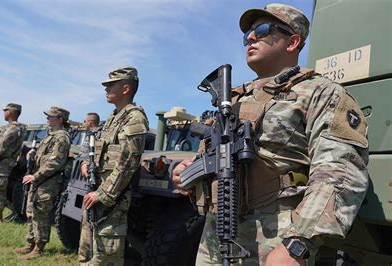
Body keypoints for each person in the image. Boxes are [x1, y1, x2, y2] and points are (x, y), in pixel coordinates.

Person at [172, 3, 369, 265]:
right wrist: (189, 173)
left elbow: (340, 172)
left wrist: (299, 242)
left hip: (276, 237)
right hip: (216, 233)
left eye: (263, 30)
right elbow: (212, 159)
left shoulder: (321, 92)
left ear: (292, 42)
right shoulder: (231, 100)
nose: (251, 38)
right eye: (247, 34)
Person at [78, 67, 148, 265]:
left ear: (126, 88)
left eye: (110, 85)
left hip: (111, 201)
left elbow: (128, 163)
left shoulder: (134, 118)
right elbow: (99, 151)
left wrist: (103, 194)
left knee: (105, 257)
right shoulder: (112, 119)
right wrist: (86, 163)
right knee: (86, 251)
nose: (105, 89)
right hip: (95, 194)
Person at [13, 106, 71, 260]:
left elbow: (55, 163)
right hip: (40, 180)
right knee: (31, 211)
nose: (47, 119)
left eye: (50, 116)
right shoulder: (50, 135)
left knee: (41, 213)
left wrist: (35, 176)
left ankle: (39, 247)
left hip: (48, 181)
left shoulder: (62, 137)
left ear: (60, 119)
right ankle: (30, 243)